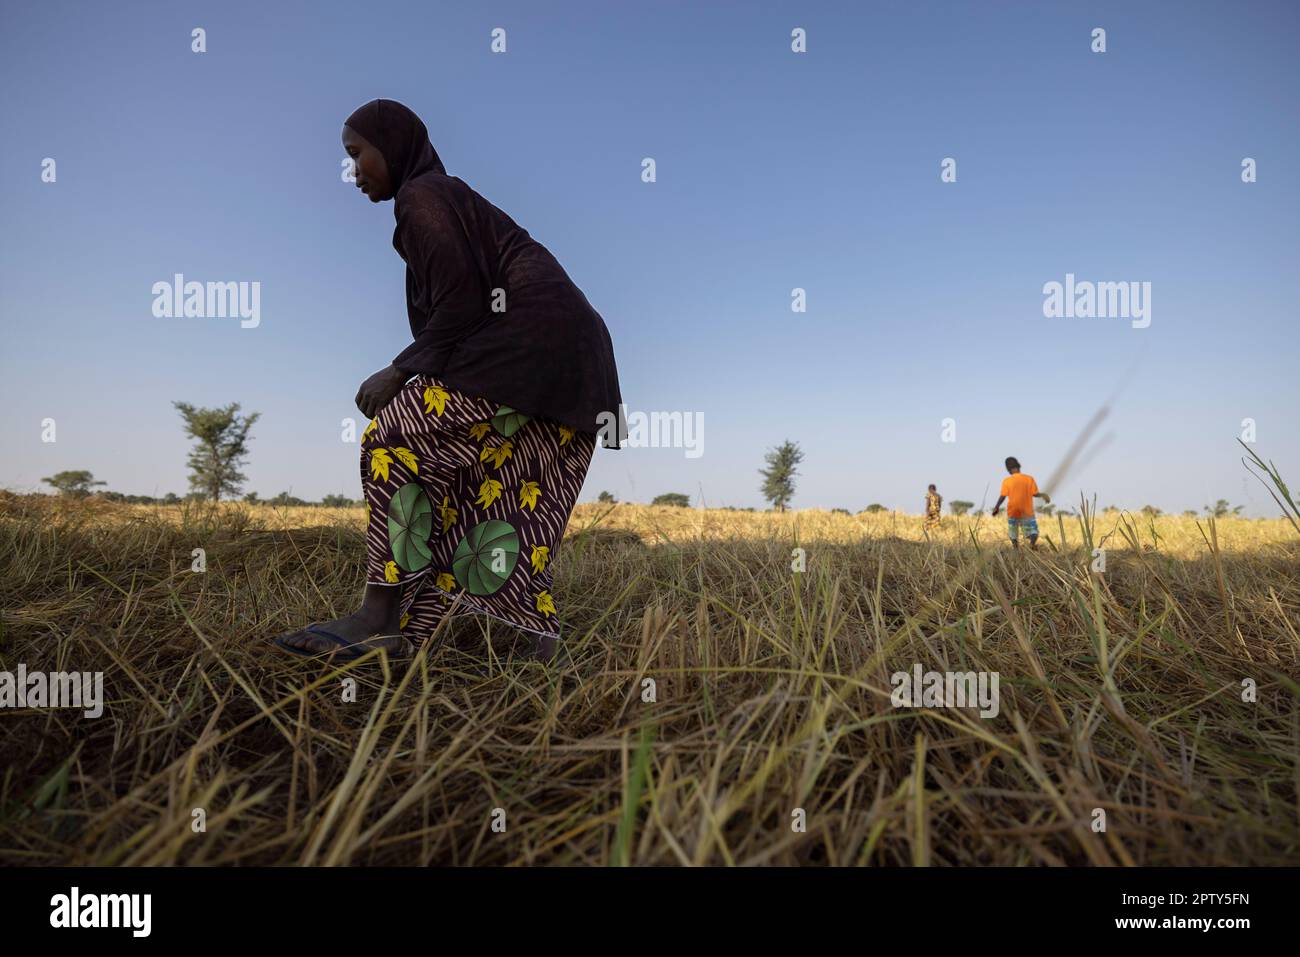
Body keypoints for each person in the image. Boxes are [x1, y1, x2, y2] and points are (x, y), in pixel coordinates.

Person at [275, 98, 623, 663]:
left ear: (391, 145)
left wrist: (400, 370)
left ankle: (378, 619)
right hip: (578, 366)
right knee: (504, 490)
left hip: (528, 348)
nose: (353, 170)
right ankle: (536, 646)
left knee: (393, 440)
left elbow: (460, 303)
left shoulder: (423, 196)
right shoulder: (442, 197)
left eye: (356, 153)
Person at [991, 457, 1049, 549]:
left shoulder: (1007, 481)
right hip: (1027, 512)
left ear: (1008, 469)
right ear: (1018, 466)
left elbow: (1003, 496)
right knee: (1033, 533)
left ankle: (1016, 549)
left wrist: (997, 507)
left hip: (1013, 512)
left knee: (1013, 534)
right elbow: (1035, 494)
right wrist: (1043, 495)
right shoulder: (1029, 479)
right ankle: (1031, 545)